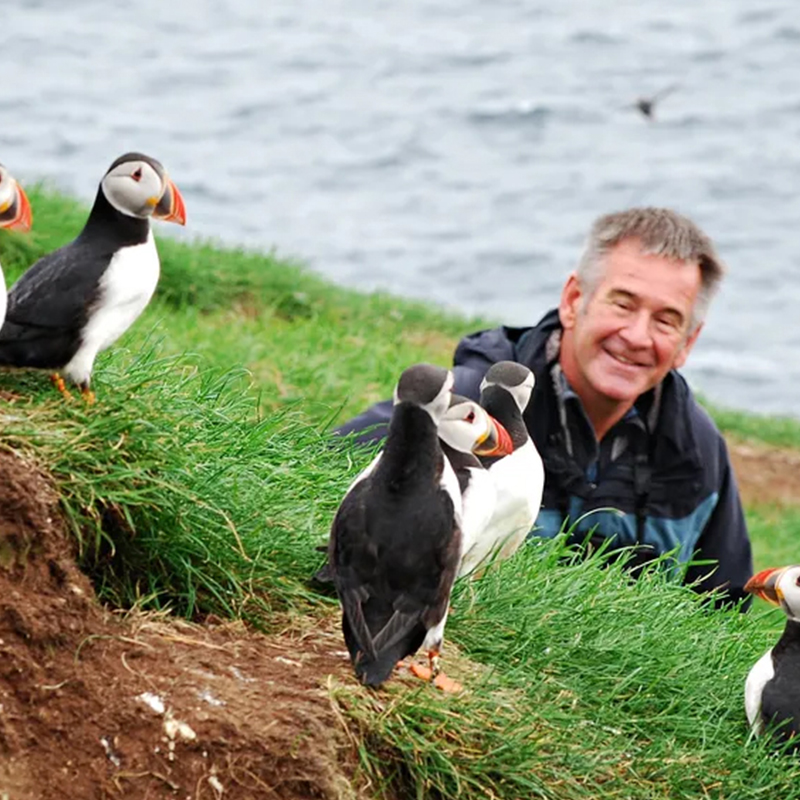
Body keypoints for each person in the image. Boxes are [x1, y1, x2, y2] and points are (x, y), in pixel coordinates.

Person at [336, 207, 753, 606]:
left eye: (666, 320)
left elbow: (721, 608)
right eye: (623, 304)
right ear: (573, 300)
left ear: (687, 343)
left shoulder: (701, 451)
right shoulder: (464, 409)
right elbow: (324, 475)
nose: (638, 336)